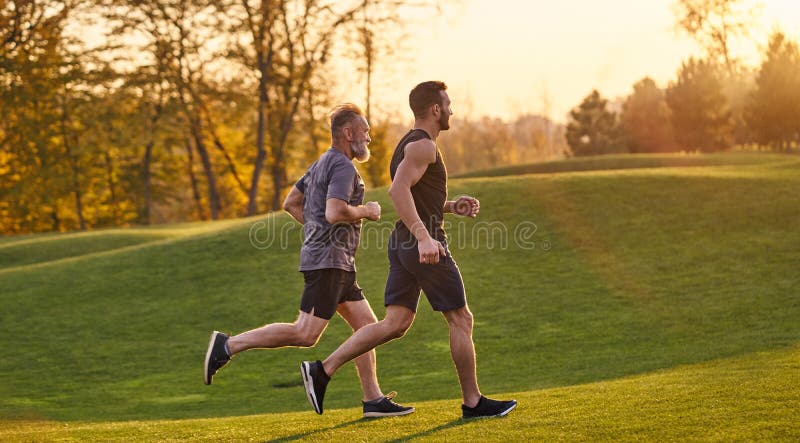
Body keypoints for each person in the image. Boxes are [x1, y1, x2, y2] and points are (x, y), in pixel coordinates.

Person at [301, 82, 517, 419]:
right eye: (448, 104)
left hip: (404, 243)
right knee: (461, 319)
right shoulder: (423, 147)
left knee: (395, 323)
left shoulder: (409, 144)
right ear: (435, 109)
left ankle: (323, 370)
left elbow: (415, 196)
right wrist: (424, 237)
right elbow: (397, 190)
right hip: (420, 244)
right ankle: (473, 402)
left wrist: (448, 206)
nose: (451, 110)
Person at [204, 103, 414, 418]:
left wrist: (317, 231)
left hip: (336, 262)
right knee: (305, 333)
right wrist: (365, 212)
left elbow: (291, 202)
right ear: (348, 133)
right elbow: (334, 211)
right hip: (328, 262)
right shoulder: (343, 167)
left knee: (367, 328)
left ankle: (373, 399)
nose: (369, 137)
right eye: (365, 130)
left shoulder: (319, 164)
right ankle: (228, 345)